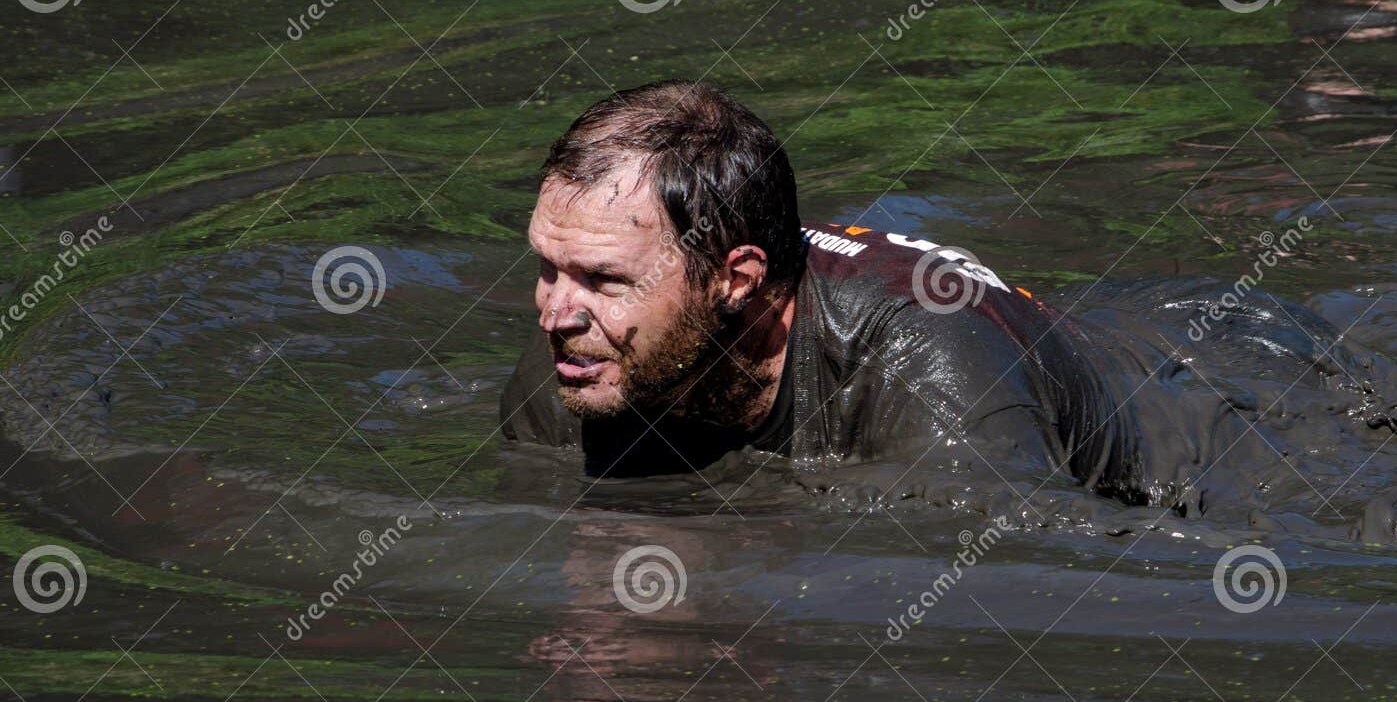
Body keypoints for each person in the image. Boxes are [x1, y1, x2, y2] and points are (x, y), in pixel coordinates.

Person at [498, 80, 1335, 511]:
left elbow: (1046, 568)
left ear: (736, 279)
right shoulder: (581, 369)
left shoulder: (923, 370)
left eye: (605, 280)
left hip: (1228, 382)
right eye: (548, 267)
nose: (556, 312)